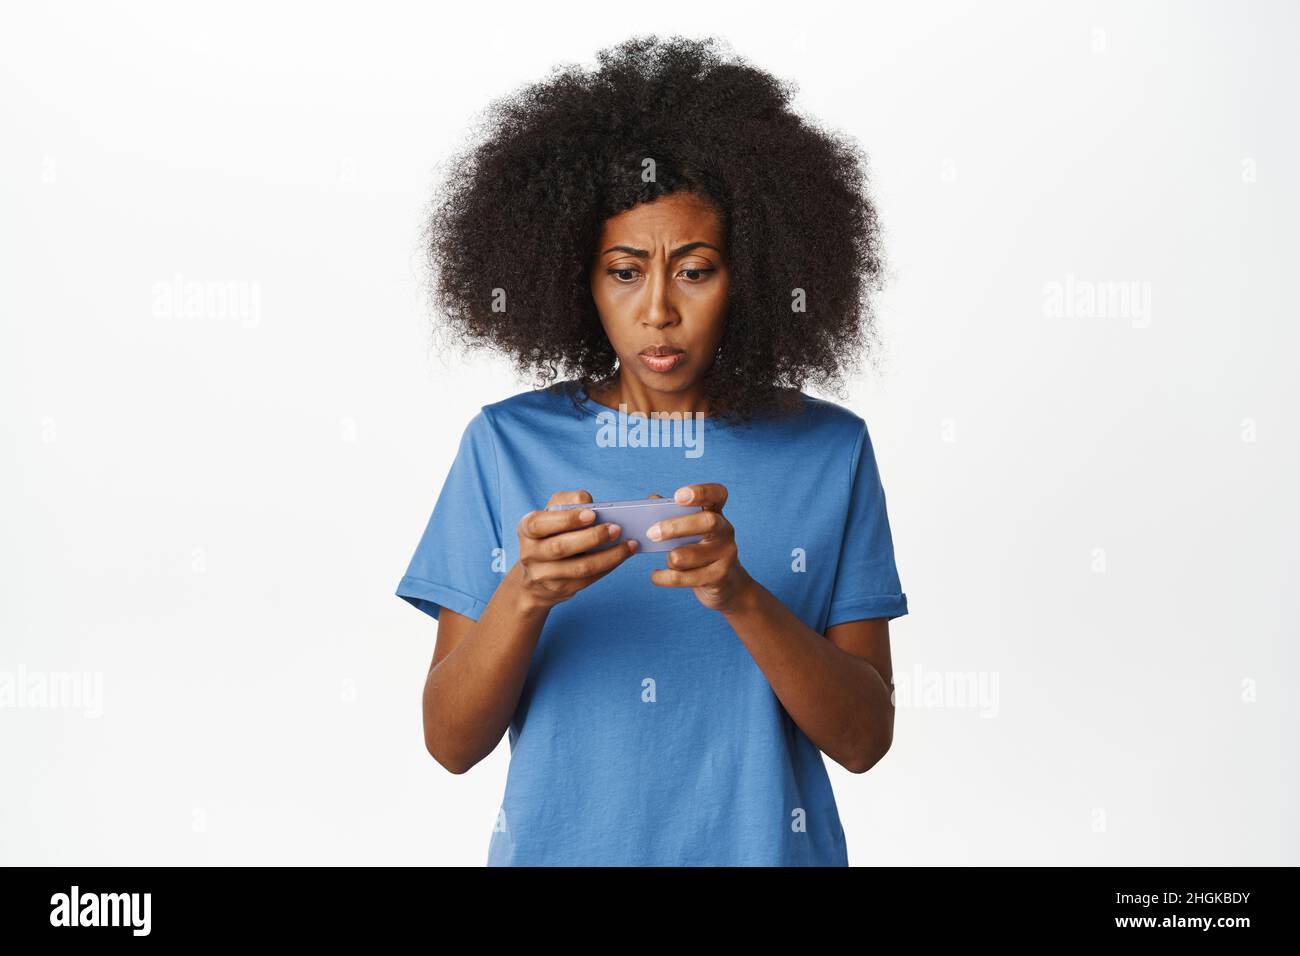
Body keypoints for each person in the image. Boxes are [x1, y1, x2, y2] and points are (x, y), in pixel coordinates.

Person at [395, 35, 908, 866]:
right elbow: (451, 743)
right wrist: (526, 592)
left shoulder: (830, 451)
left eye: (696, 271)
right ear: (576, 279)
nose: (658, 310)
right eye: (625, 271)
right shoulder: (506, 445)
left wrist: (739, 593)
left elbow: (865, 739)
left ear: (754, 276)